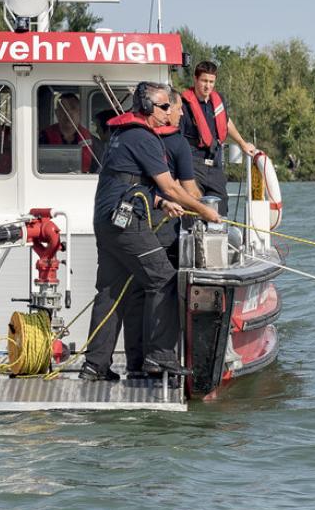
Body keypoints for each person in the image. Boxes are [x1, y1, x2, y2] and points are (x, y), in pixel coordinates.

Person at [80, 82, 220, 382]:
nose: (169, 111)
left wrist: (160, 202)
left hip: (106, 220)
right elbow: (171, 185)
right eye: (164, 106)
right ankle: (159, 356)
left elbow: (127, 180)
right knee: (163, 278)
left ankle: (95, 366)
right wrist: (204, 210)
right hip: (126, 223)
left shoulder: (122, 135)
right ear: (146, 109)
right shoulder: (144, 137)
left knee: (110, 291)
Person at [179, 60, 259, 216]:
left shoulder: (218, 99)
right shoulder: (183, 105)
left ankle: (219, 238)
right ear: (195, 79)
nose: (207, 86)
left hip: (215, 165)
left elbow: (226, 122)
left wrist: (242, 144)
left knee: (221, 207)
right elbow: (176, 139)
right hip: (193, 165)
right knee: (193, 209)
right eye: (204, 81)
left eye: (211, 82)